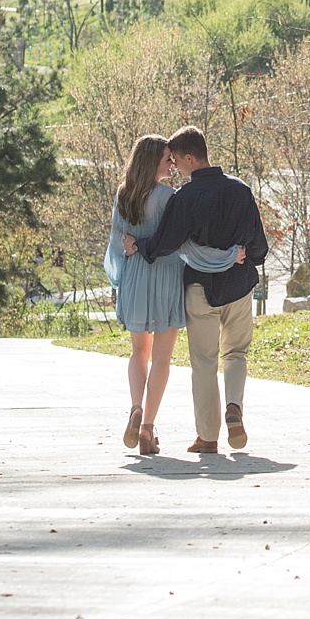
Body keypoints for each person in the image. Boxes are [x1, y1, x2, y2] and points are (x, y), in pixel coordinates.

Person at [128, 126, 269, 456]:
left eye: (176, 159)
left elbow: (166, 243)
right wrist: (249, 258)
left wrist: (139, 246)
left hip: (200, 288)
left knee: (203, 362)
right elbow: (259, 244)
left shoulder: (186, 198)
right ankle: (234, 406)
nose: (175, 166)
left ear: (190, 157)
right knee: (236, 353)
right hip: (239, 285)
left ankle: (207, 438)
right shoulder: (241, 190)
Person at [104, 134, 185, 455]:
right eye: (167, 158)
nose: (172, 163)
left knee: (139, 351)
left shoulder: (123, 196)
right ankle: (148, 427)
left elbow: (115, 242)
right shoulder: (171, 197)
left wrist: (120, 276)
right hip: (166, 274)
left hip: (136, 272)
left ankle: (136, 407)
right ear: (152, 161)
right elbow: (178, 239)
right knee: (162, 357)